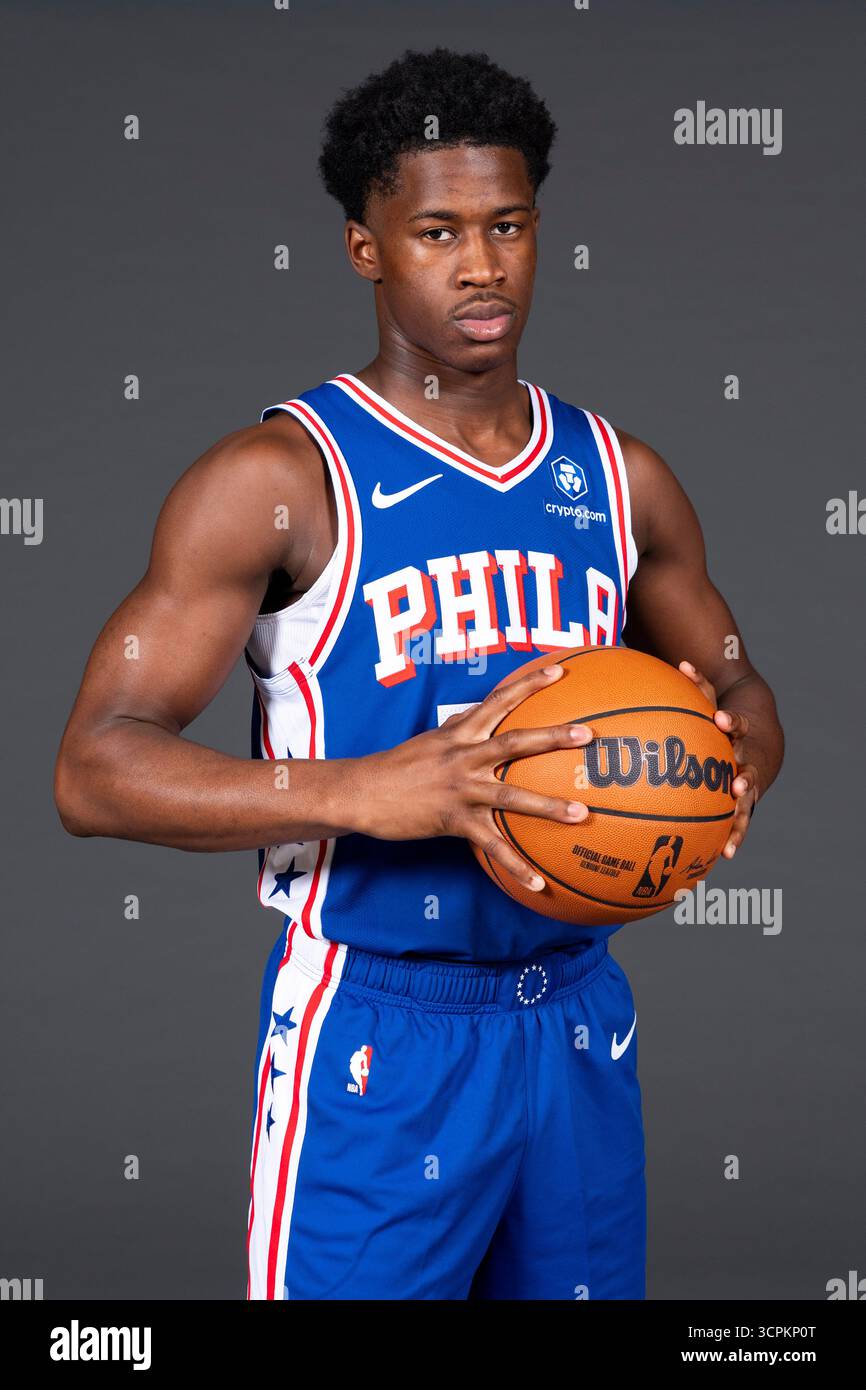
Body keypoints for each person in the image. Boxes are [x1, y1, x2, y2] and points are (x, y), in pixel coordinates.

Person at [55, 47, 784, 1300]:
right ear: (365, 250)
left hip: (573, 1018)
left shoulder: (617, 479)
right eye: (437, 230)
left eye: (506, 225)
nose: (482, 263)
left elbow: (740, 691)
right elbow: (94, 767)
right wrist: (361, 790)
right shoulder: (278, 482)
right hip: (375, 1030)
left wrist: (713, 789)